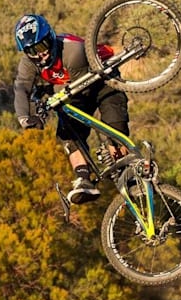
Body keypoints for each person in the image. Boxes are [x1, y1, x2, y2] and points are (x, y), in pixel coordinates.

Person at [12, 13, 130, 204]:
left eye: (41, 46)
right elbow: (21, 88)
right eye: (32, 51)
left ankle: (126, 169)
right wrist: (25, 118)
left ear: (50, 37)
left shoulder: (72, 50)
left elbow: (83, 90)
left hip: (104, 82)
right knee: (66, 132)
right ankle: (83, 178)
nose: (40, 54)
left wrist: (52, 98)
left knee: (115, 129)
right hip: (77, 89)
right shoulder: (29, 63)